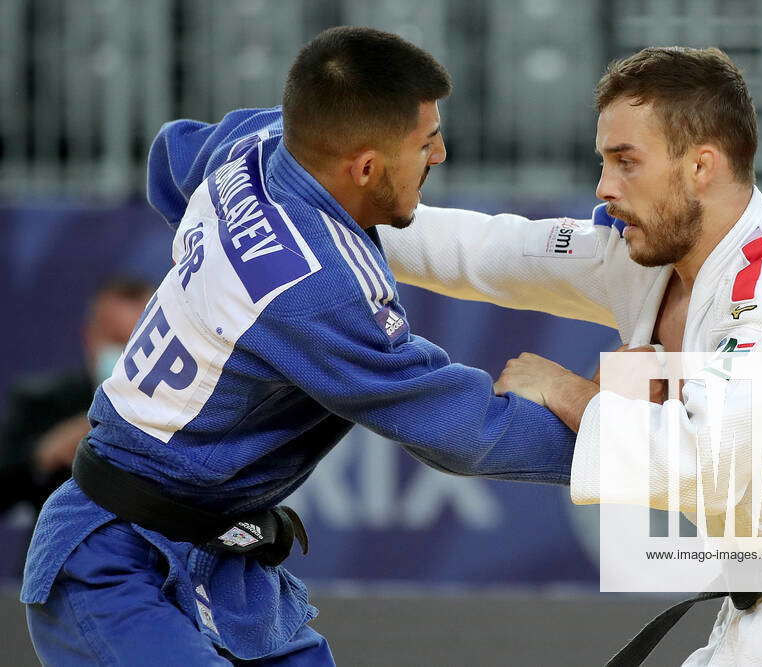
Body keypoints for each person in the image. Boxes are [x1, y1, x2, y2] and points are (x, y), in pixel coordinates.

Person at [379, 47, 762, 665]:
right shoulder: (650, 256)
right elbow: (487, 250)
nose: (604, 186)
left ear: (700, 166)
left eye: (626, 162)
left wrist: (567, 391)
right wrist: (346, 213)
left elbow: (705, 466)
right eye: (604, 161)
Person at [21, 27, 578, 665]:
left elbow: (171, 152)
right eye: (426, 143)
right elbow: (464, 429)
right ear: (365, 167)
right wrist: (630, 447)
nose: (441, 154)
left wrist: (217, 270)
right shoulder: (315, 287)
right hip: (115, 561)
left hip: (223, 564)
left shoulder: (259, 144)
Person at [0, 278, 153, 517]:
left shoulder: (186, 409)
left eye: (137, 340)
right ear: (89, 337)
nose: (126, 352)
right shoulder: (42, 401)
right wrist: (42, 455)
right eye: (117, 340)